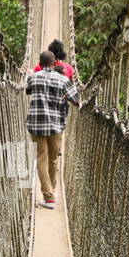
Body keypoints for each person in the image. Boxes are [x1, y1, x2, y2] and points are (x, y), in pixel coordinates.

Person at [26, 50, 80, 209]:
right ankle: (51, 193)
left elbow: (28, 90)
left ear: (40, 64)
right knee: (53, 158)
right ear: (55, 62)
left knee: (41, 157)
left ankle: (49, 195)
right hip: (56, 125)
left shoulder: (33, 77)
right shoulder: (63, 79)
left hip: (36, 124)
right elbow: (76, 100)